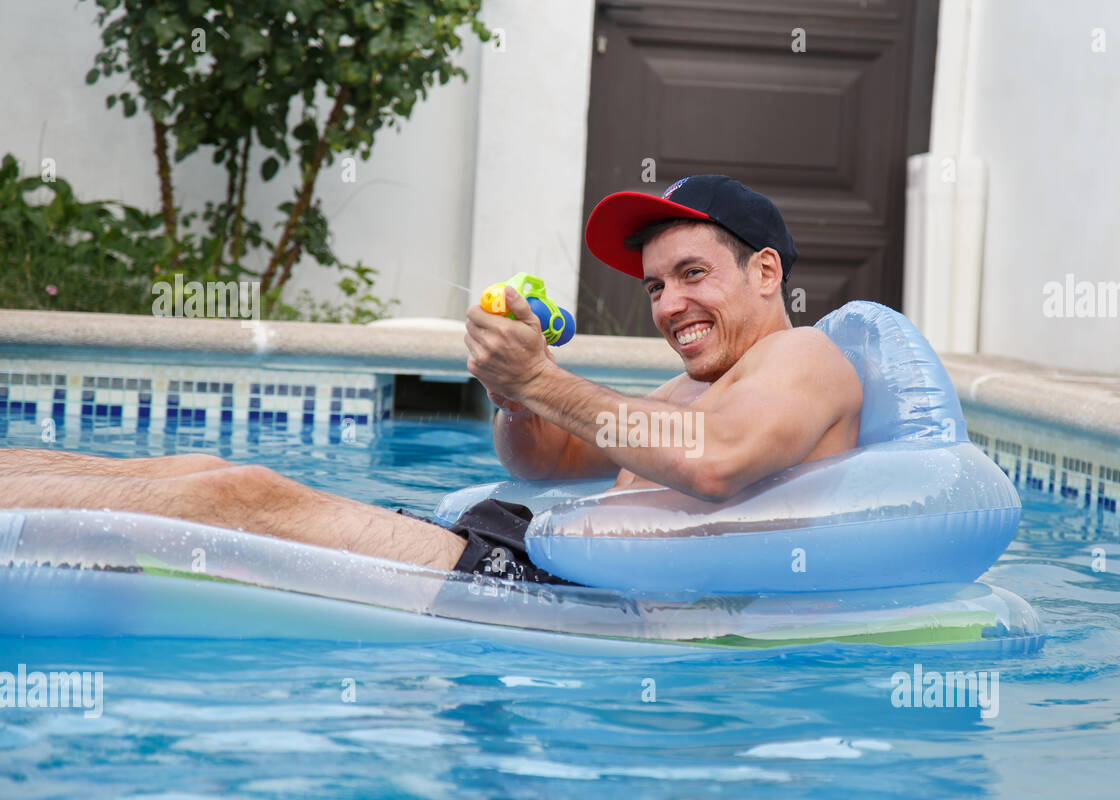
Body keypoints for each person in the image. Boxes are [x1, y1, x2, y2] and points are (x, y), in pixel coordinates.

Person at [0, 175, 862, 585]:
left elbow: (717, 462)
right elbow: (543, 461)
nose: (670, 304)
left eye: (692, 274)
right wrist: (516, 389)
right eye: (655, 286)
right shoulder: (692, 392)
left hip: (553, 588)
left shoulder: (803, 358)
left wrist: (547, 381)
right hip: (522, 547)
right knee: (190, 474)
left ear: (764, 272)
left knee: (242, 492)